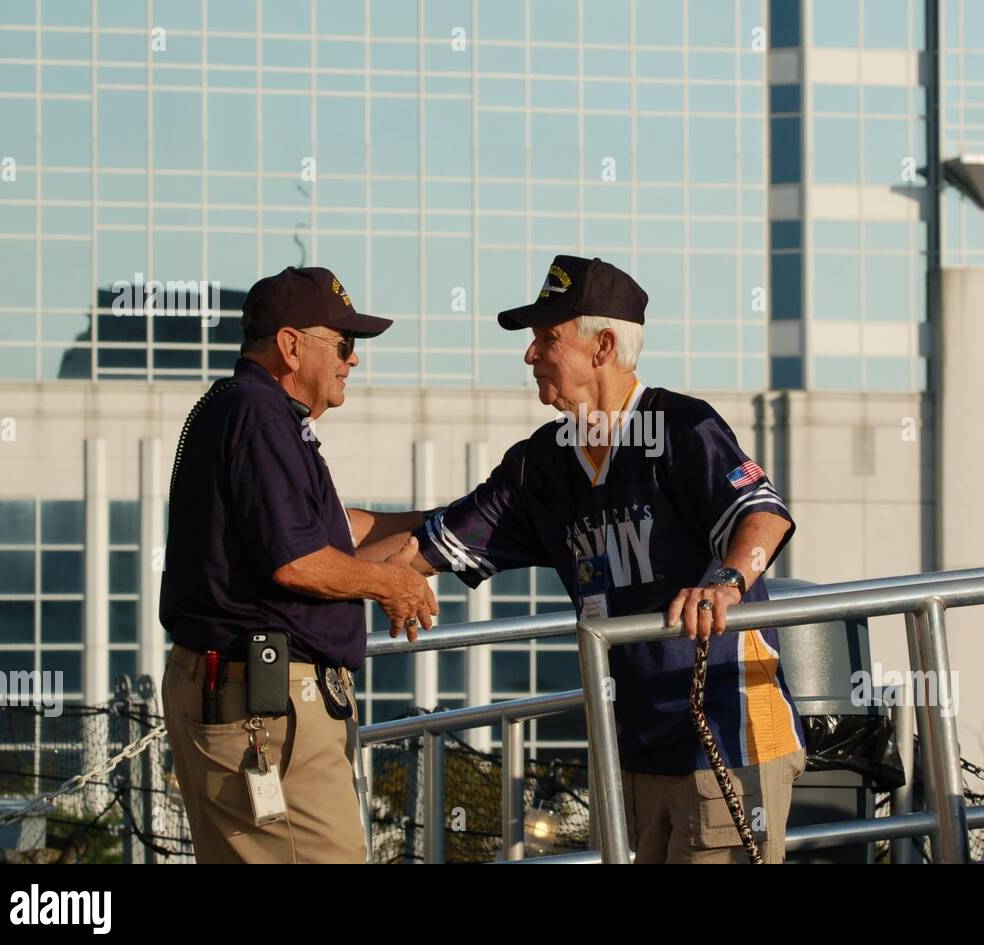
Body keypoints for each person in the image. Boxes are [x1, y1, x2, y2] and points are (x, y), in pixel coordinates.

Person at [371, 255, 806, 863]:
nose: (530, 355)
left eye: (547, 338)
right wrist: (311, 554)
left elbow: (765, 514)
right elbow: (424, 545)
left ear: (602, 345)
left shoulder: (680, 426)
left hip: (727, 743)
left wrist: (725, 584)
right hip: (628, 751)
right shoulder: (538, 465)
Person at [159, 265, 436, 863]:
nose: (352, 361)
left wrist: (451, 523)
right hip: (261, 708)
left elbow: (334, 528)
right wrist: (391, 583)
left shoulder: (253, 412)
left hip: (243, 695)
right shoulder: (259, 417)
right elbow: (297, 561)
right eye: (344, 345)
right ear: (290, 346)